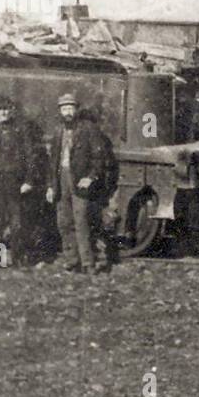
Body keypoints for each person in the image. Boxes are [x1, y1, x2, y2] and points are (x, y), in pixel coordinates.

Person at [46, 94, 119, 273]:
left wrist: (91, 177)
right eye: (64, 109)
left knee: (82, 221)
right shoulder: (58, 131)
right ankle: (71, 260)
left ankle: (88, 262)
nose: (68, 112)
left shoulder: (88, 129)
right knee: (64, 221)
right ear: (60, 111)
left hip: (79, 180)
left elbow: (98, 156)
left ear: (76, 110)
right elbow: (53, 161)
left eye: (71, 108)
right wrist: (51, 185)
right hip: (61, 178)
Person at [0, 95, 44, 269]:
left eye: (6, 109)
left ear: (11, 110)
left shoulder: (21, 130)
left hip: (16, 182)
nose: (3, 112)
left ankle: (18, 260)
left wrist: (29, 180)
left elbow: (30, 157)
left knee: (17, 224)